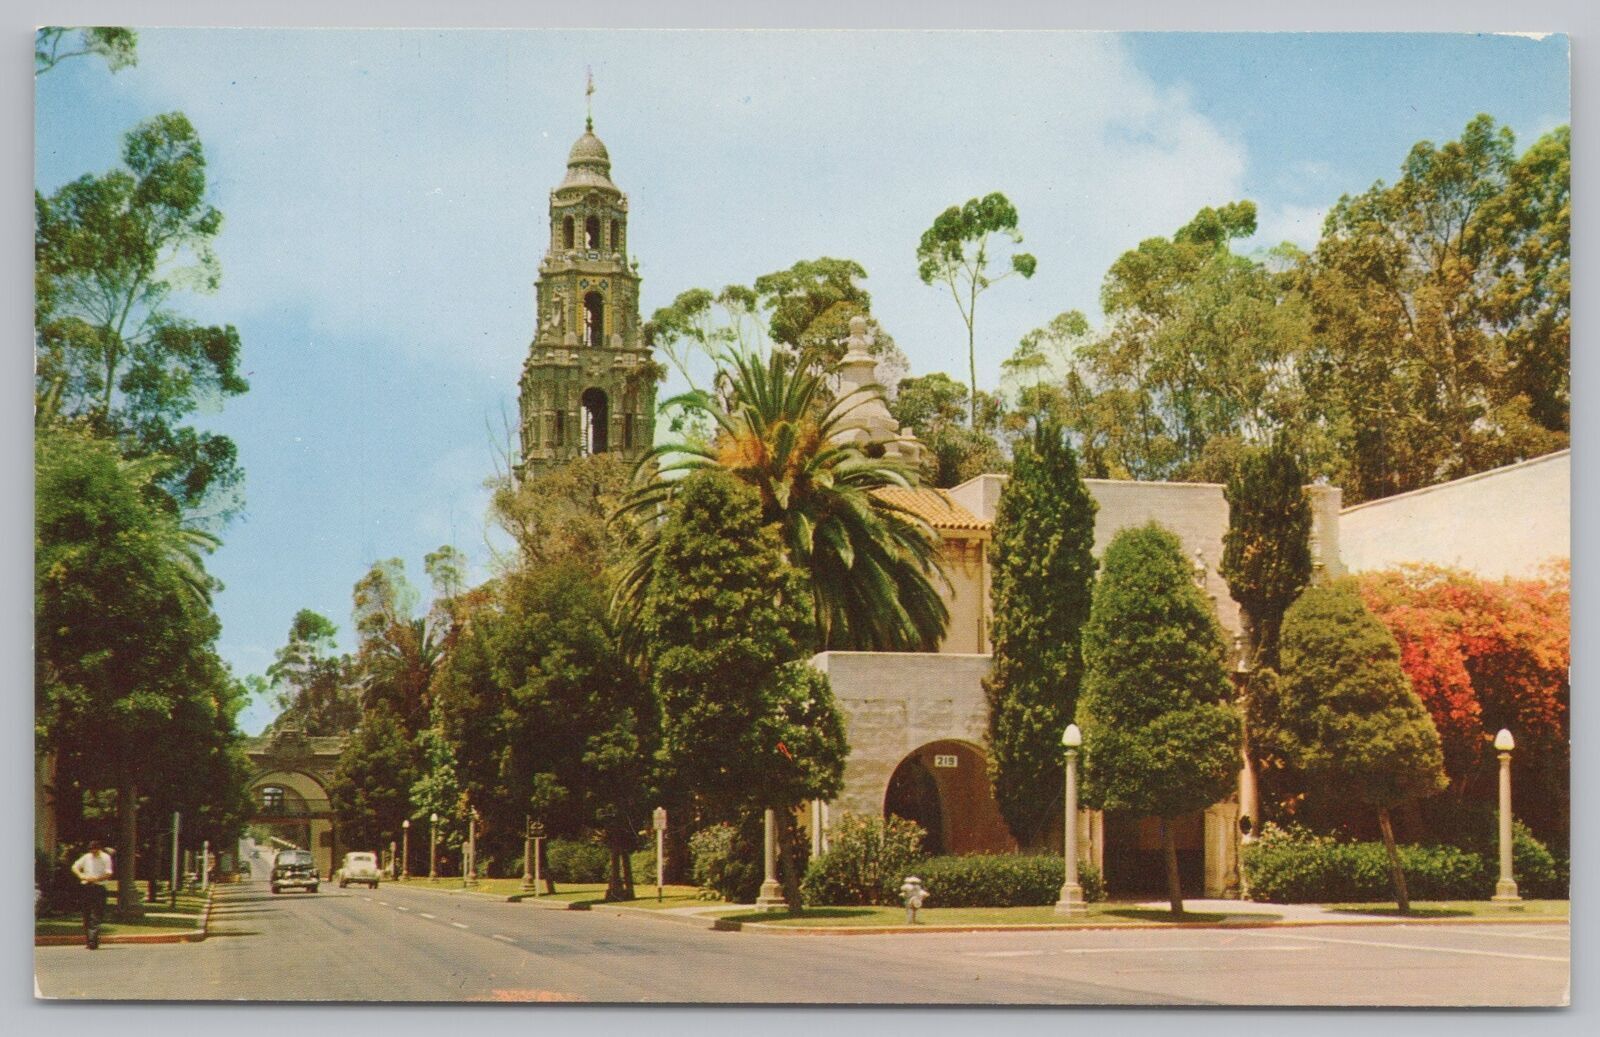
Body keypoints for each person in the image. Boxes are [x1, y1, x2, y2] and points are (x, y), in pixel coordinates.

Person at [71, 841, 114, 950]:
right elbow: (75, 866)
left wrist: (97, 879)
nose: (93, 853)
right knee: (86, 914)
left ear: (99, 849)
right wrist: (81, 875)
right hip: (86, 887)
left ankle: (92, 941)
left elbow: (109, 873)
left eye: (95, 851)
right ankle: (89, 940)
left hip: (98, 887)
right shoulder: (87, 857)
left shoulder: (105, 858)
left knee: (96, 914)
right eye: (91, 851)